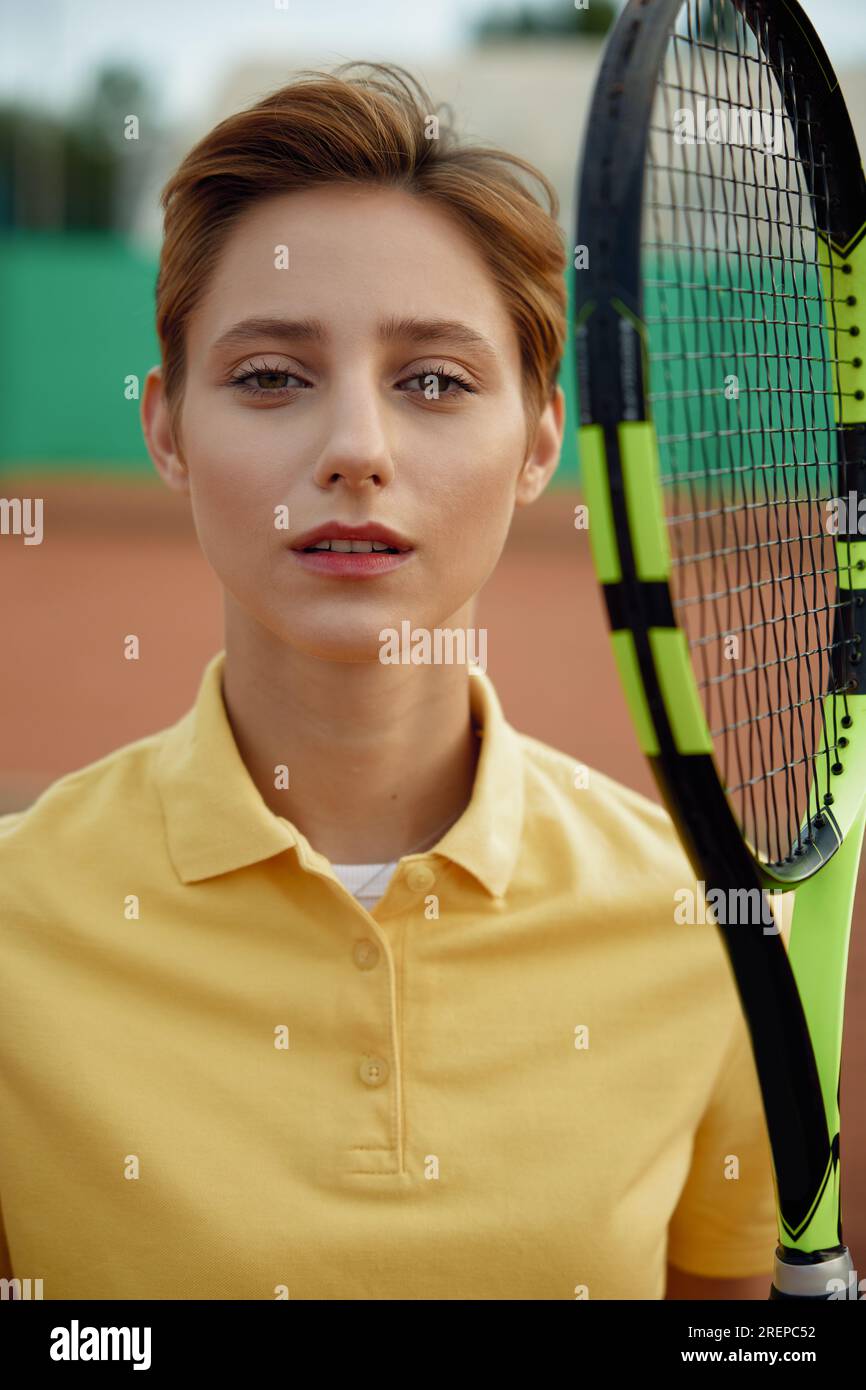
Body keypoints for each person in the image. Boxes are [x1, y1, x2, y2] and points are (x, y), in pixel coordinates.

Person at [0, 61, 779, 1300]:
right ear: (165, 430)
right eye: (268, 375)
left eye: (433, 380)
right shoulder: (12, 928)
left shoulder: (710, 925)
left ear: (536, 440)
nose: (355, 448)